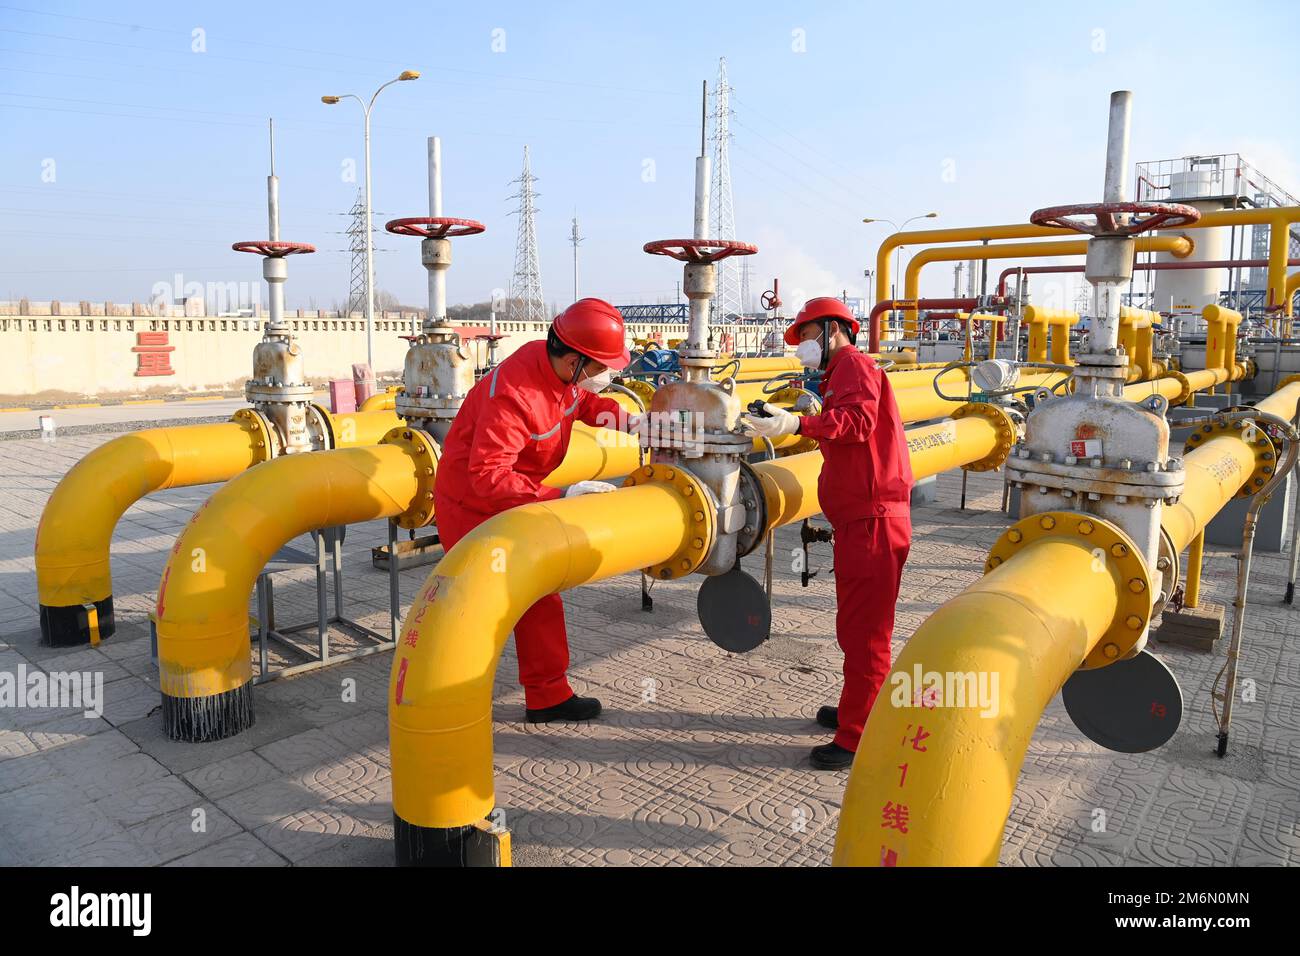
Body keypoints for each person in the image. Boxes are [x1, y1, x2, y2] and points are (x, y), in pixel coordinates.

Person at [433, 297, 639, 723]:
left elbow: (581, 403)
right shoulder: (514, 394)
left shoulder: (556, 371)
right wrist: (561, 497)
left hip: (517, 496)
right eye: (600, 366)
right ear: (573, 359)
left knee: (539, 594)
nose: (605, 375)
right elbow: (488, 476)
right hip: (471, 505)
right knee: (476, 599)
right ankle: (446, 693)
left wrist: (630, 422)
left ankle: (546, 696)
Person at [743, 297, 913, 769]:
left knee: (866, 634)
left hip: (873, 522)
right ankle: (857, 707)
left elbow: (858, 423)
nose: (802, 347)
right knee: (854, 627)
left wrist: (798, 422)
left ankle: (858, 736)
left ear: (833, 329)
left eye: (806, 336)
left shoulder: (854, 366)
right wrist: (799, 422)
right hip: (863, 520)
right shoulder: (841, 372)